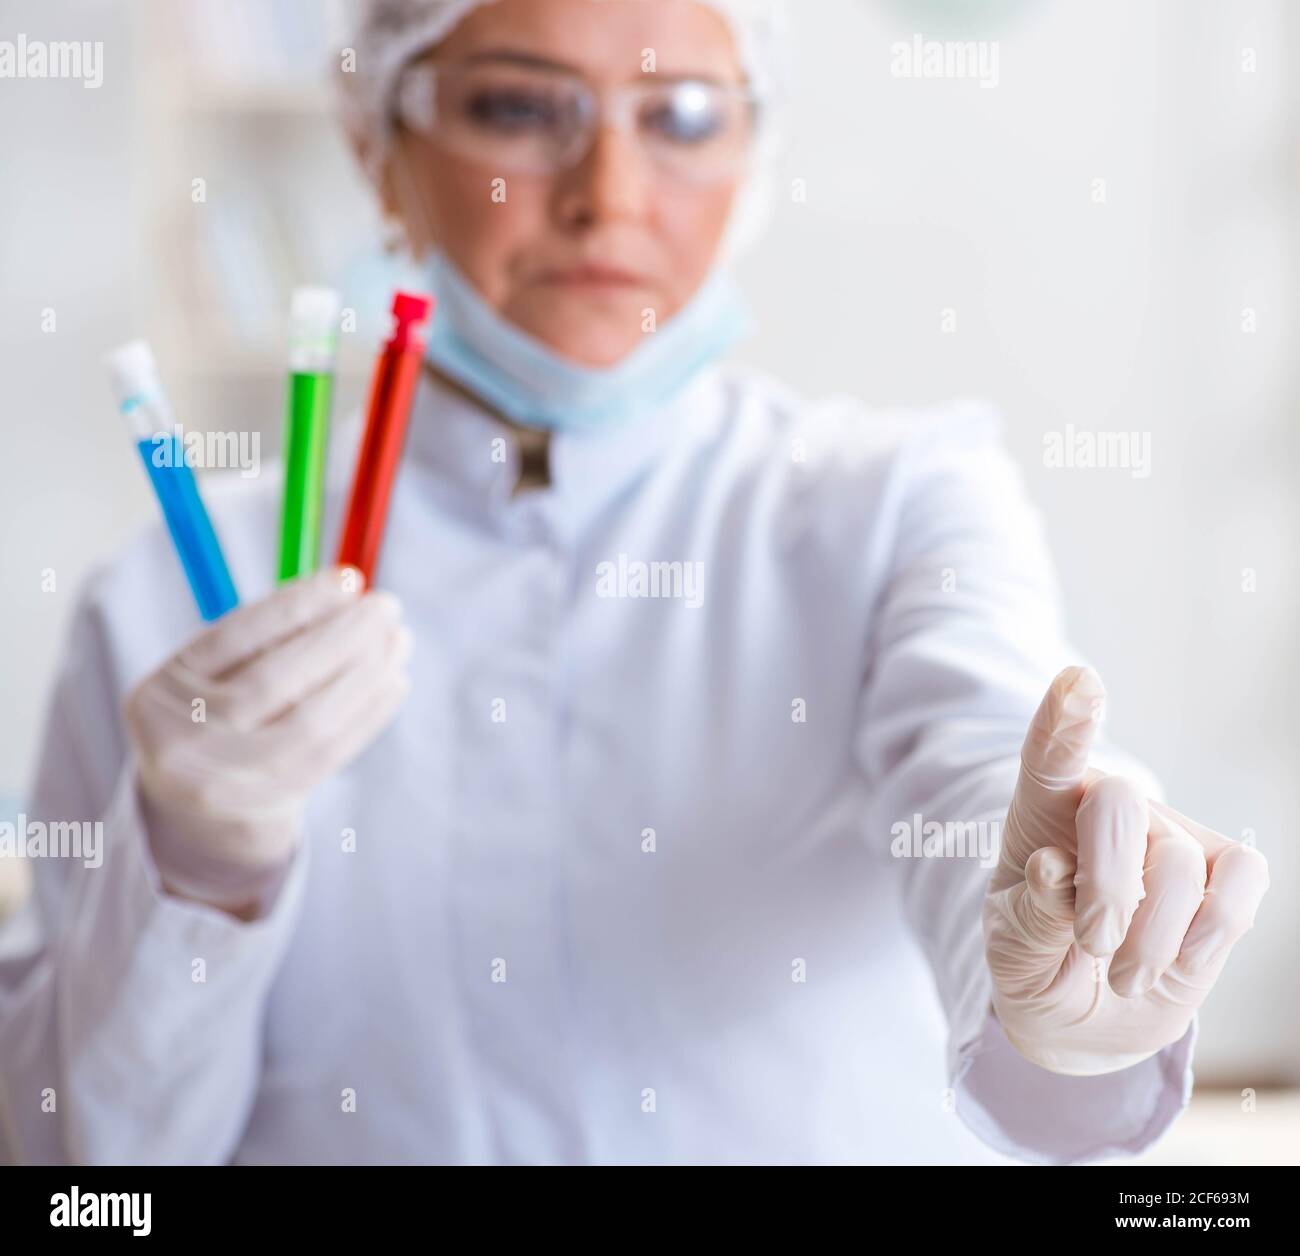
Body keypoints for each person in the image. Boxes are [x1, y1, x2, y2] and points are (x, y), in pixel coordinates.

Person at [0, 0, 1268, 1166]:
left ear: (755, 153)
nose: (607, 197)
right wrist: (196, 866)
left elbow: (984, 758)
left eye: (683, 117)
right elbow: (88, 1169)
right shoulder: (181, 597)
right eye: (518, 107)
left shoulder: (891, 503)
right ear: (376, 144)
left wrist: (1067, 976)